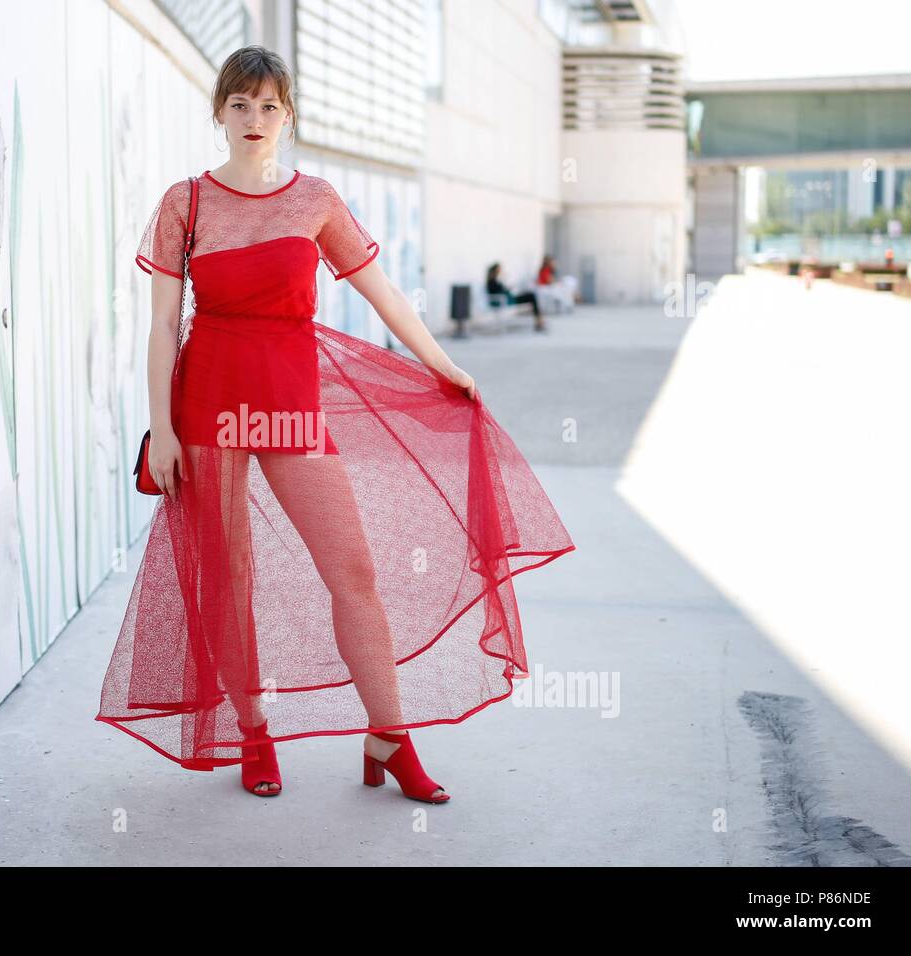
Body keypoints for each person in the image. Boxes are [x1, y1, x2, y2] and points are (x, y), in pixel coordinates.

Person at [95, 45, 575, 803]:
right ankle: (254, 734)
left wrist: (442, 365)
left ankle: (389, 735)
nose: (254, 119)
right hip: (206, 406)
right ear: (218, 112)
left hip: (289, 407)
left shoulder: (315, 198)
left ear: (290, 115)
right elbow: (160, 328)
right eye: (240, 104)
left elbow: (384, 294)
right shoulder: (184, 203)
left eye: (269, 105)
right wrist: (163, 430)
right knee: (230, 577)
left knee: (352, 572)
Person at [486, 262, 546, 332]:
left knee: (531, 295)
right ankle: (539, 322)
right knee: (531, 296)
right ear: (495, 271)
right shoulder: (492, 282)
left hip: (509, 299)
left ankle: (539, 321)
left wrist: (507, 287)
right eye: (499, 270)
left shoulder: (495, 280)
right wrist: (505, 285)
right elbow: (499, 292)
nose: (500, 271)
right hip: (507, 301)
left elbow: (502, 290)